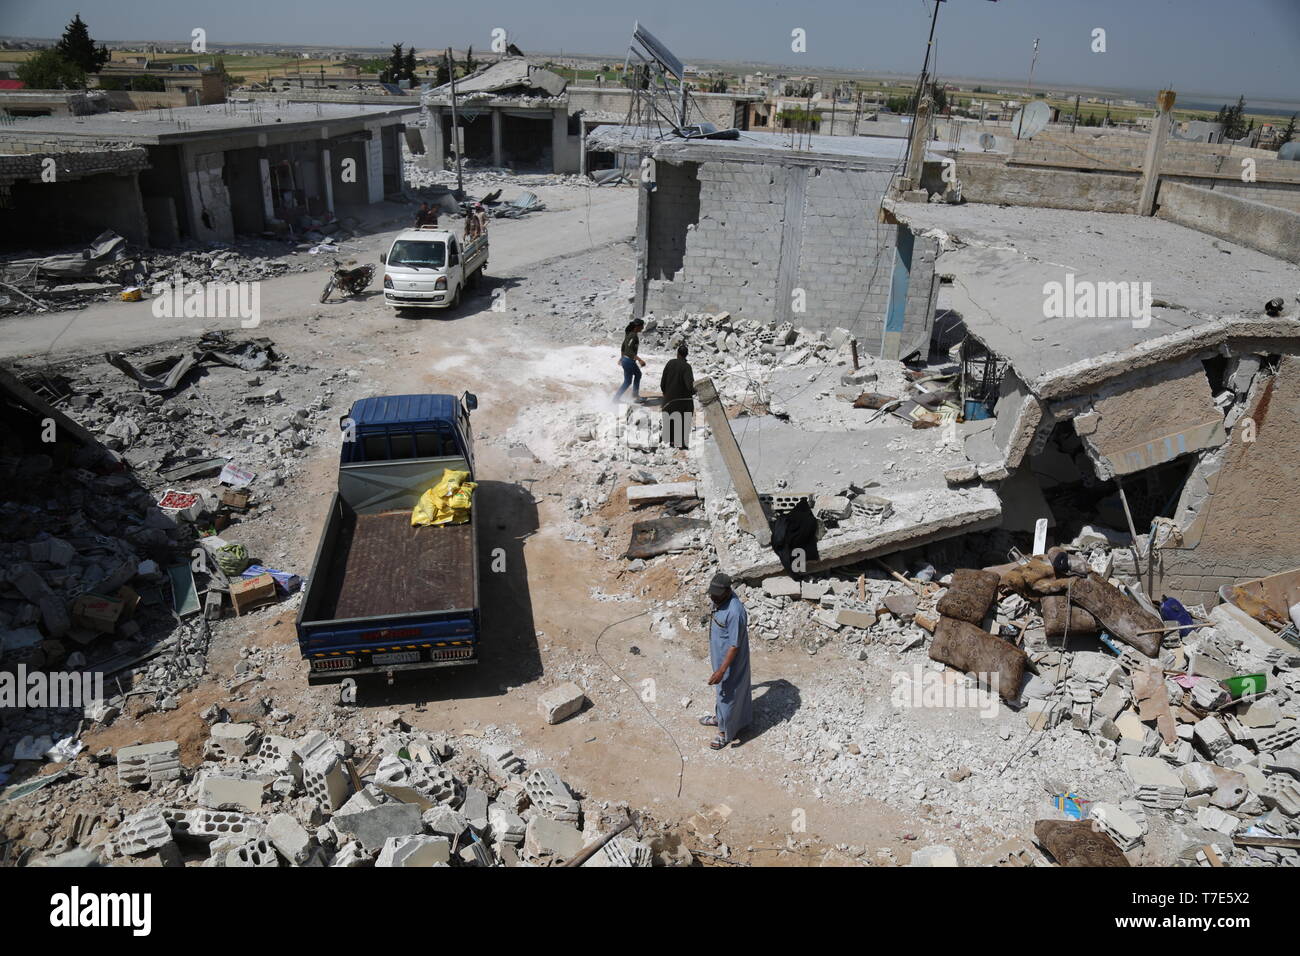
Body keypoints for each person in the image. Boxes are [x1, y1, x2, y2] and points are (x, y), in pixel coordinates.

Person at [700, 572, 752, 750]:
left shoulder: (734, 612)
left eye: (717, 594)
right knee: (722, 691)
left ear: (728, 591)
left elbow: (734, 646)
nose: (713, 597)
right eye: (712, 593)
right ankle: (721, 718)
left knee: (727, 694)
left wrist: (722, 670)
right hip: (720, 655)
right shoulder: (721, 599)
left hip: (730, 661)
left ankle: (724, 733)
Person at [659, 343, 694, 449]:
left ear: (677, 353)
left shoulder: (670, 363)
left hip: (668, 401)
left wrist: (666, 395)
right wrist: (695, 391)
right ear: (686, 355)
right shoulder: (687, 367)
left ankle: (672, 441)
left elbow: (662, 383)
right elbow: (689, 386)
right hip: (682, 402)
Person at [613, 318, 646, 403]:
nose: (643, 328)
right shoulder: (633, 335)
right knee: (631, 379)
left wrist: (621, 358)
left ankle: (631, 396)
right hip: (629, 361)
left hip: (626, 360)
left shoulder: (629, 334)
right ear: (637, 326)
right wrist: (640, 360)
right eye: (642, 326)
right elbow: (628, 351)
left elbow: (623, 346)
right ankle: (631, 397)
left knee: (633, 377)